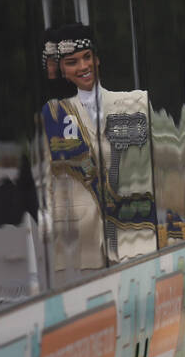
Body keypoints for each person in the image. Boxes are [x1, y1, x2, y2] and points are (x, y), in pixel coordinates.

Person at [38, 22, 160, 277]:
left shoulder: (135, 103)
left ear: (97, 59)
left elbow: (169, 162)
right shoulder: (54, 116)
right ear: (61, 69)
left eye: (87, 57)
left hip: (135, 240)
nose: (83, 67)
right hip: (82, 251)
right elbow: (47, 181)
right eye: (72, 62)